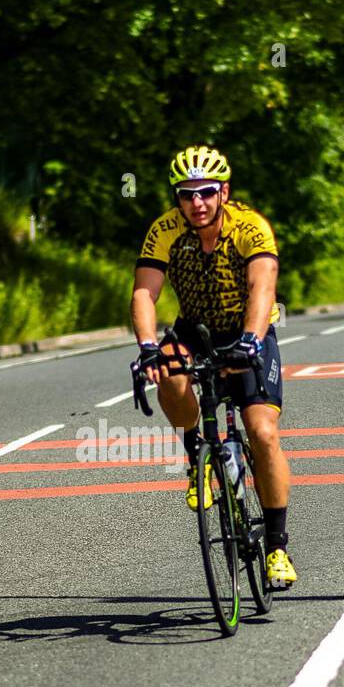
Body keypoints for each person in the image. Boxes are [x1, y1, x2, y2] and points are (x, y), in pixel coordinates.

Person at [130, 145, 296, 590]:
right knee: (166, 369)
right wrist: (148, 345)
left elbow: (263, 286)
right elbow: (145, 291)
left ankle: (277, 546)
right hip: (194, 331)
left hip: (247, 332)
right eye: (186, 195)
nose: (196, 203)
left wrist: (251, 340)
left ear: (223, 191)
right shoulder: (165, 230)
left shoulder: (250, 227)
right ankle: (199, 456)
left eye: (205, 192)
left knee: (262, 432)